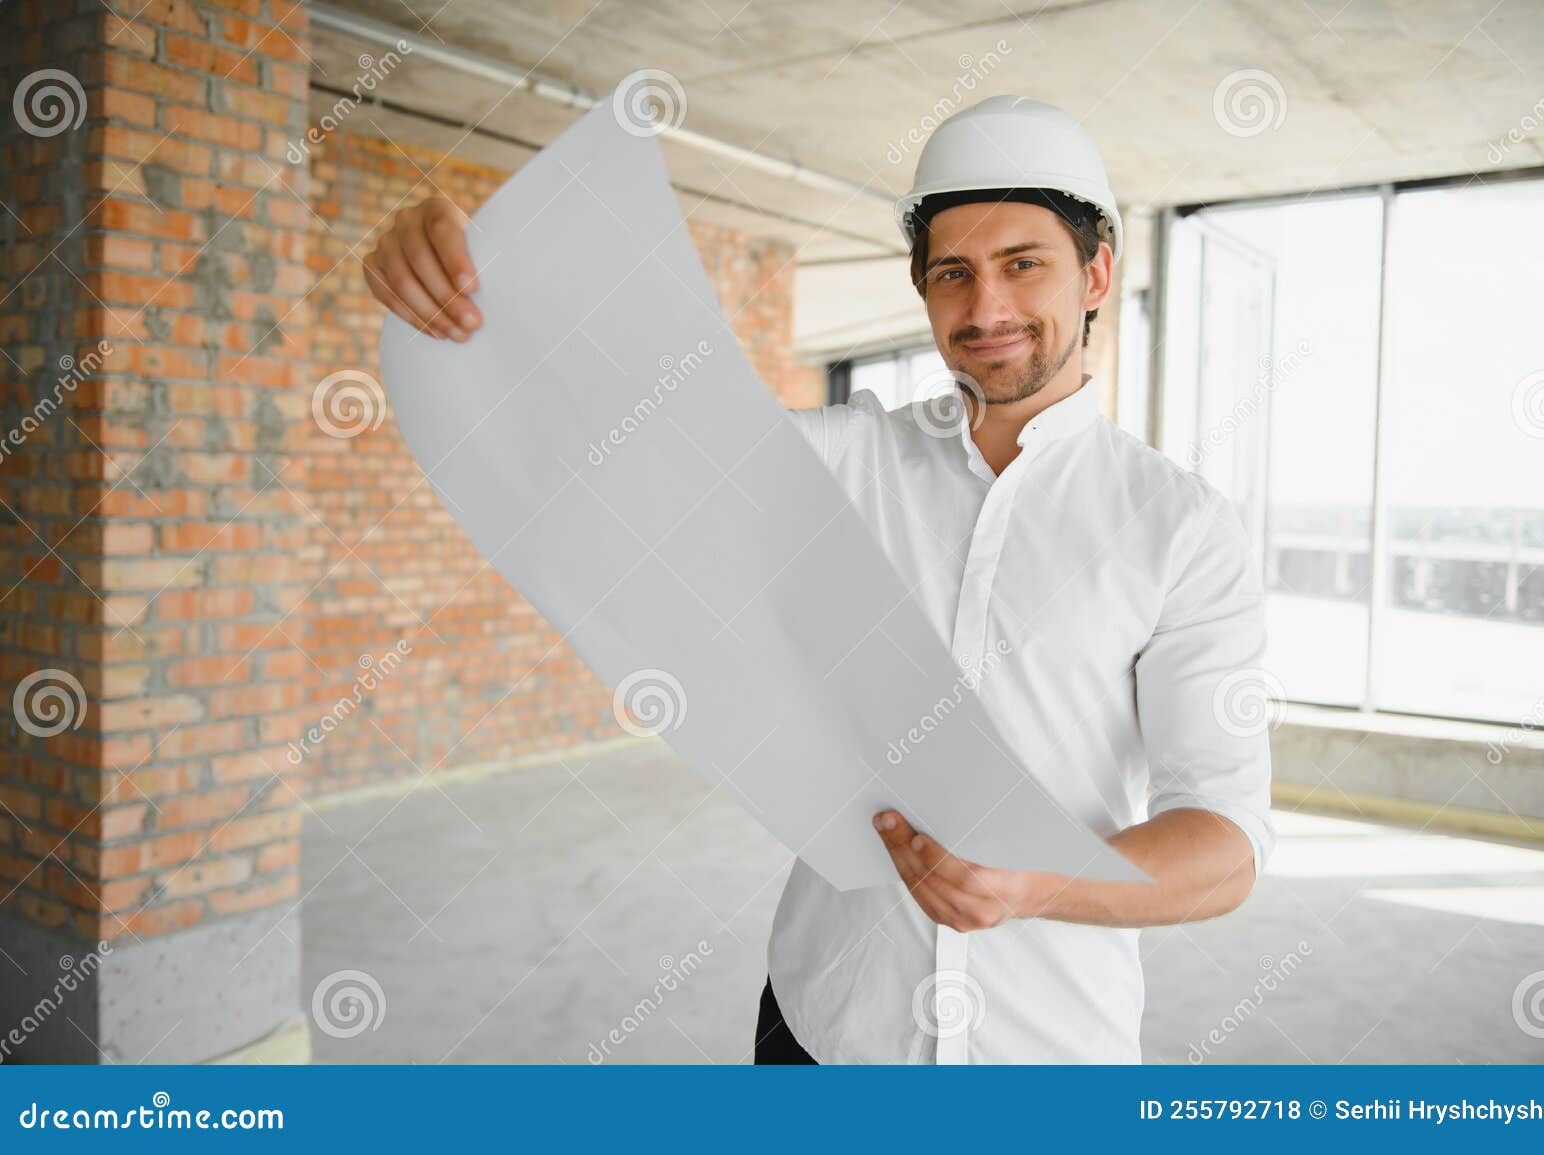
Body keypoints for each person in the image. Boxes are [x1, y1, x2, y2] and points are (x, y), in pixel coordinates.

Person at [361, 94, 1275, 1065]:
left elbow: (1222, 847)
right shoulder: (840, 464)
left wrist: (1036, 885)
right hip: (825, 1030)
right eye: (952, 275)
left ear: (1094, 273)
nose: (986, 309)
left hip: (1049, 1052)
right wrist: (469, 269)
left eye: (1022, 265)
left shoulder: (1180, 530)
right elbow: (607, 431)